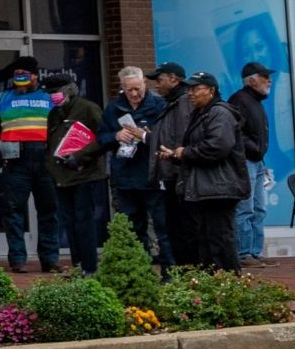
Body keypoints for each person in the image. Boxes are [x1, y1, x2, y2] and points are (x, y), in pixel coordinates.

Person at [161, 71, 246, 272]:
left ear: (211, 90)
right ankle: (211, 288)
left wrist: (185, 152)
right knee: (205, 242)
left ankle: (229, 287)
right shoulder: (201, 113)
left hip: (219, 188)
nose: (190, 93)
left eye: (196, 89)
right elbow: (198, 148)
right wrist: (174, 155)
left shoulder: (220, 113)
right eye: (189, 89)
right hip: (205, 188)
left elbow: (218, 146)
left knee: (220, 241)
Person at [0, 58, 61, 272]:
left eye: (24, 73)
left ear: (35, 75)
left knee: (49, 211)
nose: (20, 77)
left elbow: (61, 127)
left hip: (45, 160)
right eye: (17, 73)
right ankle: (18, 260)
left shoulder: (50, 98)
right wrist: (0, 145)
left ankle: (50, 259)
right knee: (13, 211)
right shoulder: (2, 98)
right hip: (16, 161)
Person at [100, 67, 169, 265]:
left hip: (152, 174)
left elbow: (168, 136)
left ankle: (168, 271)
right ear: (122, 88)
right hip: (125, 176)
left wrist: (146, 136)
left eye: (137, 88)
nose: (134, 94)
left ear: (144, 84)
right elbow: (101, 137)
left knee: (161, 226)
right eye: (129, 90)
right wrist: (115, 136)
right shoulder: (114, 109)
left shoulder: (159, 105)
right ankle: (140, 268)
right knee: (132, 227)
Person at [44, 71, 109, 274]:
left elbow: (104, 138)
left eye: (56, 92)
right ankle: (77, 266)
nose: (53, 96)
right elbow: (50, 143)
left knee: (84, 223)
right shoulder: (54, 113)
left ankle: (89, 268)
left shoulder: (88, 109)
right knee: (70, 224)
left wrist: (80, 157)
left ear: (69, 90)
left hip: (85, 174)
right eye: (50, 93)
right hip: (62, 177)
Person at [146, 62, 196, 264]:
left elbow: (182, 137)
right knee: (173, 229)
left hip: (179, 176)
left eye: (159, 80)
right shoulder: (170, 103)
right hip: (170, 176)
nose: (156, 85)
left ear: (174, 79)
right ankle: (179, 274)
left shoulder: (184, 102)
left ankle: (184, 274)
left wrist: (174, 163)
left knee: (182, 230)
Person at [229, 62, 275, 266]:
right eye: (265, 76)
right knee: (245, 208)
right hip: (244, 161)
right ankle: (243, 254)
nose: (269, 80)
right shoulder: (240, 100)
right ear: (252, 80)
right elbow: (235, 132)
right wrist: (254, 149)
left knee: (259, 208)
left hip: (255, 162)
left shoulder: (255, 101)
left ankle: (255, 253)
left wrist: (261, 158)